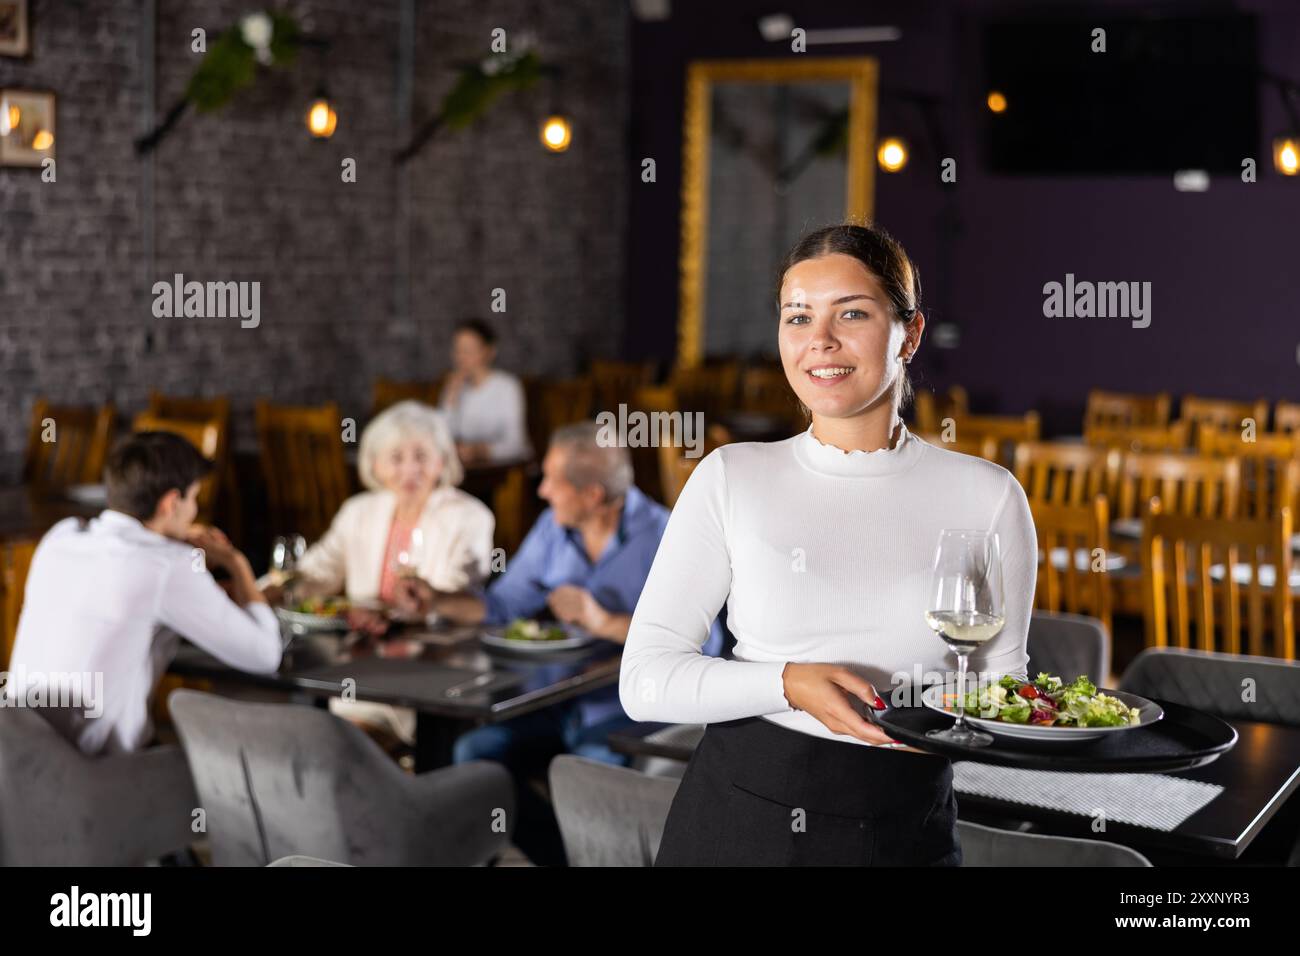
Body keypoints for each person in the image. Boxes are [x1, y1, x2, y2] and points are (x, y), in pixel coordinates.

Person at [619, 222, 1037, 866]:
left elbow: (1000, 689)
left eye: (852, 313)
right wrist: (789, 683)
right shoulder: (732, 476)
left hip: (908, 830)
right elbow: (644, 682)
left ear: (911, 333)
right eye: (797, 317)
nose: (820, 341)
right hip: (742, 821)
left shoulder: (989, 496)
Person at [394, 421, 725, 865]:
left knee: (586, 767)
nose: (543, 491)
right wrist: (434, 599)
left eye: (553, 481)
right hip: (555, 704)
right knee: (474, 752)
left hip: (629, 712)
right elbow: (502, 606)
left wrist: (603, 621)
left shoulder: (668, 534)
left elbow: (708, 644)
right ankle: (561, 856)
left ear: (592, 496)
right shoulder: (553, 528)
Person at [7, 431, 283, 756]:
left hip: (13, 763)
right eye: (193, 498)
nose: (195, 510)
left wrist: (168, 539)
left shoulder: (60, 538)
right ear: (170, 503)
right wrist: (237, 564)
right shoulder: (167, 566)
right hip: (93, 778)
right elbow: (265, 656)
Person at [289, 400, 495, 746]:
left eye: (421, 456)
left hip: (436, 669)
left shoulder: (470, 516)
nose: (409, 470)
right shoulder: (359, 511)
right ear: (375, 465)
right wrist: (273, 589)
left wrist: (399, 611)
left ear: (442, 461)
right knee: (314, 734)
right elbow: (316, 571)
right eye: (396, 458)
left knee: (337, 742)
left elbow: (456, 594)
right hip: (359, 667)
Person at [438, 318, 531, 465]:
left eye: (469, 350)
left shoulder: (507, 386)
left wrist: (480, 451)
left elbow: (516, 444)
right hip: (468, 469)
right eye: (458, 350)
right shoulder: (453, 387)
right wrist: (450, 398)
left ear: (489, 351)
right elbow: (441, 438)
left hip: (506, 469)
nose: (462, 358)